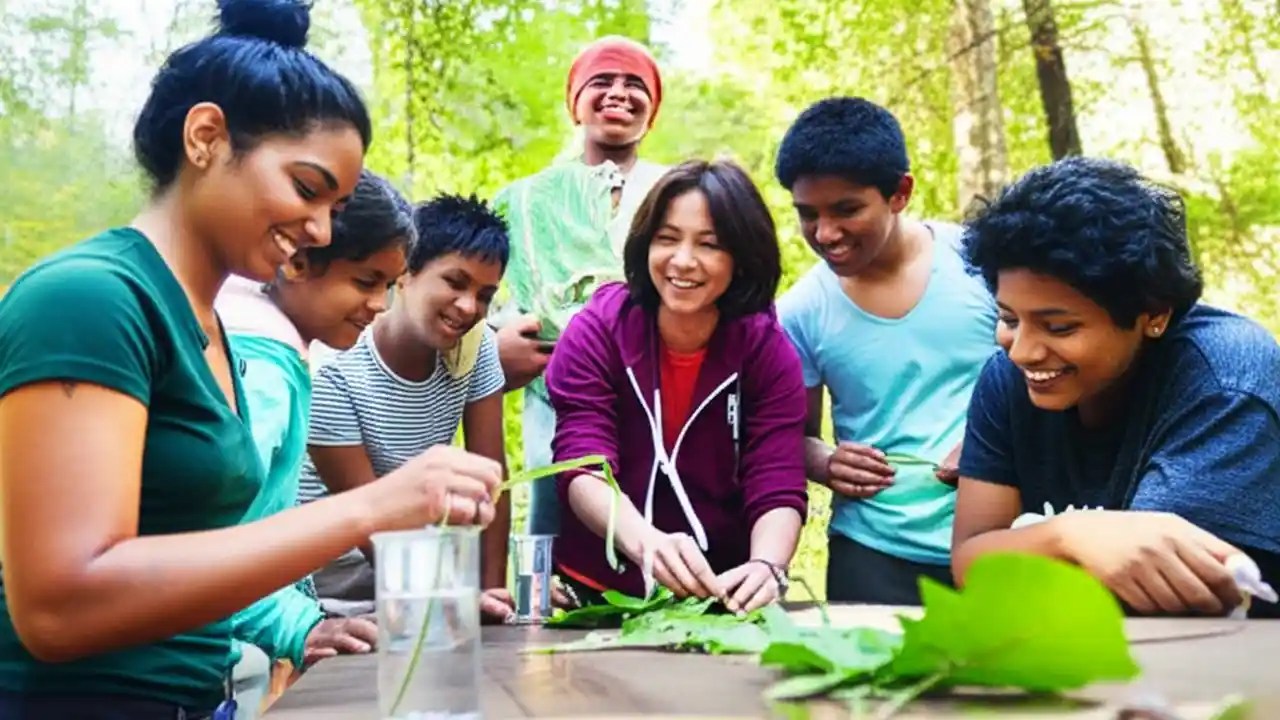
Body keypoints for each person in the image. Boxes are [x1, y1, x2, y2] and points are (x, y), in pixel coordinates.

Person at [0, 2, 502, 717]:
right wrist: (373, 507)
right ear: (205, 137)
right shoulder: (88, 300)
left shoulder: (216, 332)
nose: (322, 227)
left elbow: (213, 554)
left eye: (335, 204)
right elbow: (57, 606)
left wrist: (304, 624)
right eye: (306, 188)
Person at [952, 156, 1280, 619]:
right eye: (1008, 319)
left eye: (1059, 327)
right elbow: (969, 563)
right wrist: (1072, 534)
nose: (1022, 350)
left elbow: (1151, 590)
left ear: (1154, 315)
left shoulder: (1224, 380)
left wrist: (1024, 547)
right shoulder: (1006, 377)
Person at [545, 159, 807, 613]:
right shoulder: (597, 330)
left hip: (719, 595)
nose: (683, 261)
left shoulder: (768, 350)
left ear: (742, 258)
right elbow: (582, 465)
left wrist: (767, 566)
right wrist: (645, 543)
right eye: (667, 239)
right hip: (596, 592)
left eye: (709, 245)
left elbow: (778, 480)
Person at [773, 97, 998, 605]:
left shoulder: (981, 265)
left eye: (847, 210)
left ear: (900, 193)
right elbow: (792, 437)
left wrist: (999, 447)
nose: (825, 234)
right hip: (871, 552)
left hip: (999, 539)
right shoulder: (799, 313)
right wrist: (826, 462)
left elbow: (1053, 385)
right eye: (807, 215)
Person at [215, 169, 414, 715]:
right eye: (366, 281)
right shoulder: (263, 369)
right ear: (298, 261)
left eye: (390, 287)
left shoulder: (266, 342)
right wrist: (299, 624)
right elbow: (217, 544)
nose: (380, 305)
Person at [300, 193, 516, 622]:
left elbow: (493, 478)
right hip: (329, 600)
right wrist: (450, 599)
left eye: (485, 294)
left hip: (419, 586)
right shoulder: (333, 370)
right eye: (455, 282)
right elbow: (368, 519)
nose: (469, 307)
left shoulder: (475, 349)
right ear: (405, 273)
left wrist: (492, 596)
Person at [491, 35, 669, 537]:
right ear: (575, 101)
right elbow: (484, 299)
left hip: (661, 394)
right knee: (560, 525)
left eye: (636, 84)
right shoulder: (523, 202)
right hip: (556, 401)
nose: (619, 93)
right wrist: (497, 351)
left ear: (652, 108)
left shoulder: (678, 190)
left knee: (661, 525)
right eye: (602, 81)